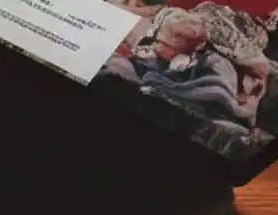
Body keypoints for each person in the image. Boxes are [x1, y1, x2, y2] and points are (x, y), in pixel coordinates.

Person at [101, 9, 259, 127]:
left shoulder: (215, 64)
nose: (156, 47)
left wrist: (169, 86)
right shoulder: (151, 58)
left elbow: (218, 96)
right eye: (157, 41)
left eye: (161, 43)